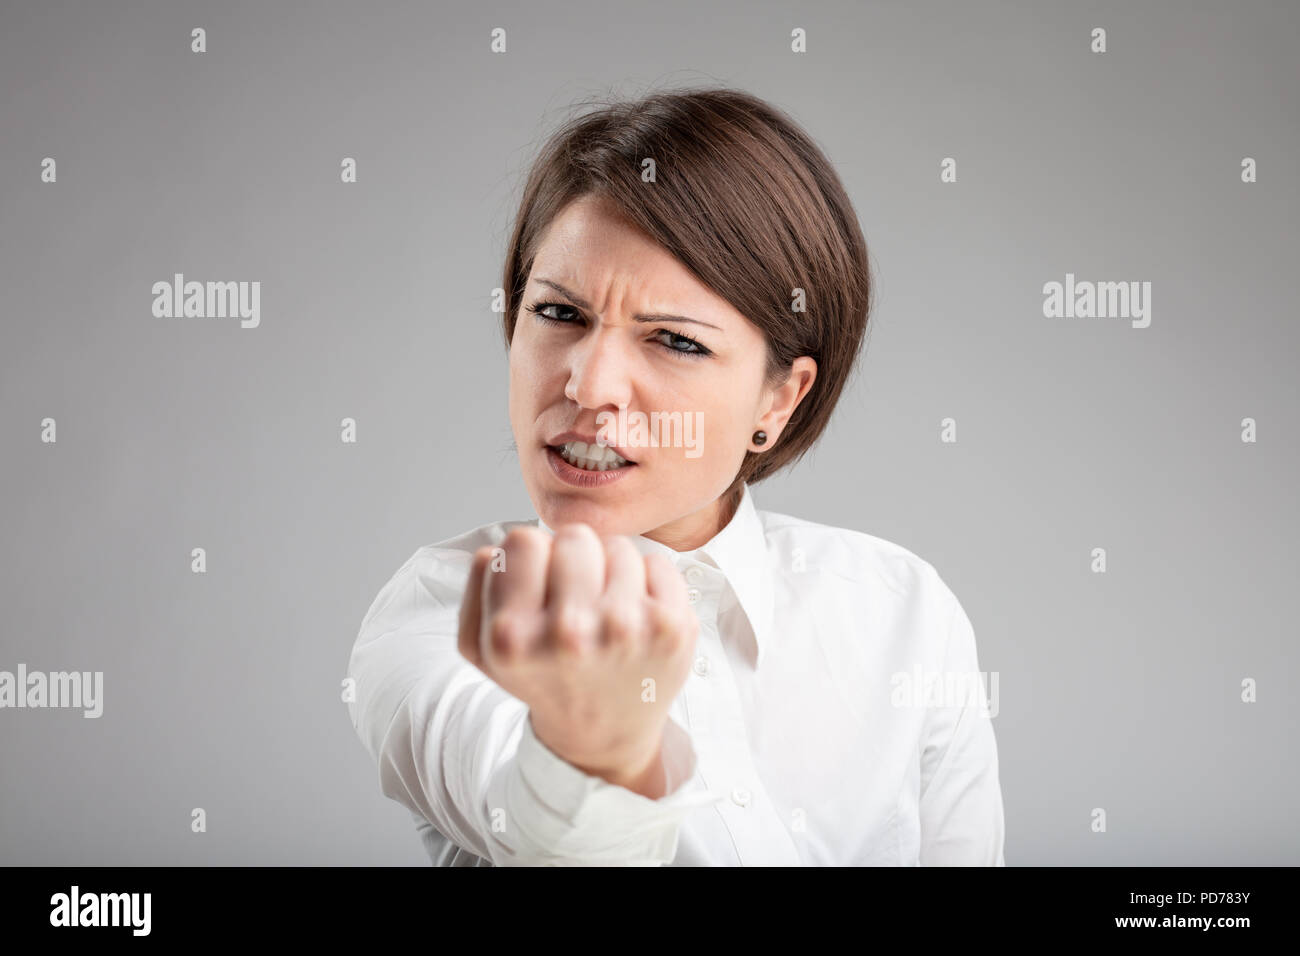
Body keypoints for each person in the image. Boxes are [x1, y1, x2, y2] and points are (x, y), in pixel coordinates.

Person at [347, 86, 1005, 866]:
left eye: (676, 342)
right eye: (560, 315)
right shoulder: (451, 612)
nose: (589, 387)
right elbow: (538, 833)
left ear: (779, 397)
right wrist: (598, 750)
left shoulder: (902, 610)